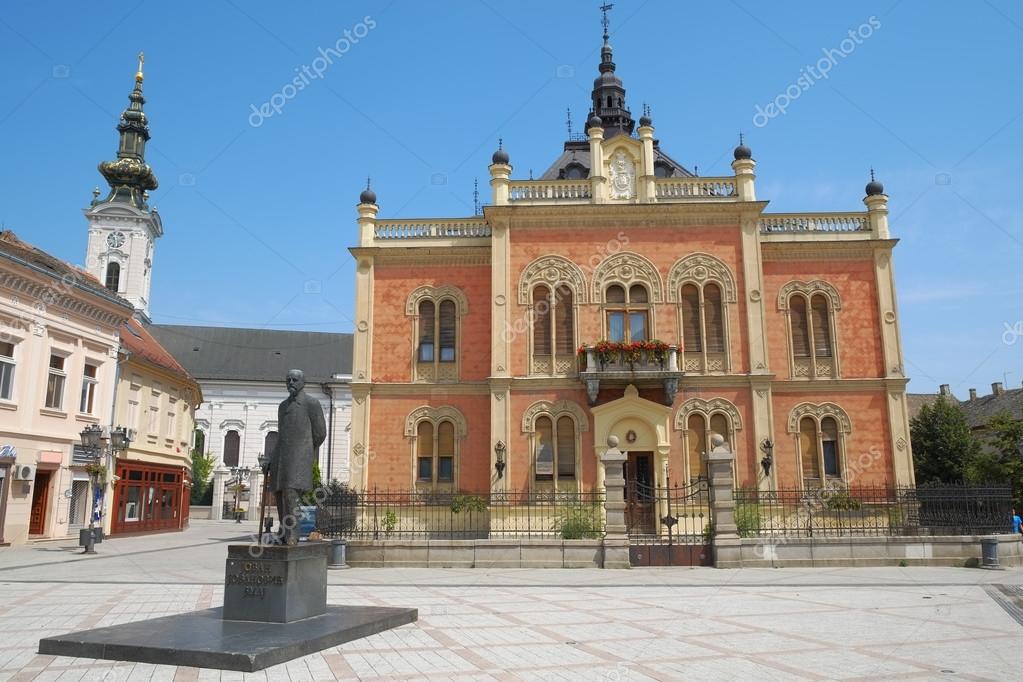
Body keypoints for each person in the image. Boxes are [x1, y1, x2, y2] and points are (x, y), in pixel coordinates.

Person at [264, 369, 326, 545]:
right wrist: (271, 459)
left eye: (294, 380)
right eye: (288, 380)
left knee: (291, 493)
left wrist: (305, 450)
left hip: (299, 457)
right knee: (279, 493)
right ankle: (283, 532)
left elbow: (320, 433)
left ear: (303, 382)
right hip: (281, 457)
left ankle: (293, 534)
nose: (291, 383)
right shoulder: (283, 406)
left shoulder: (311, 404)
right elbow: (281, 435)